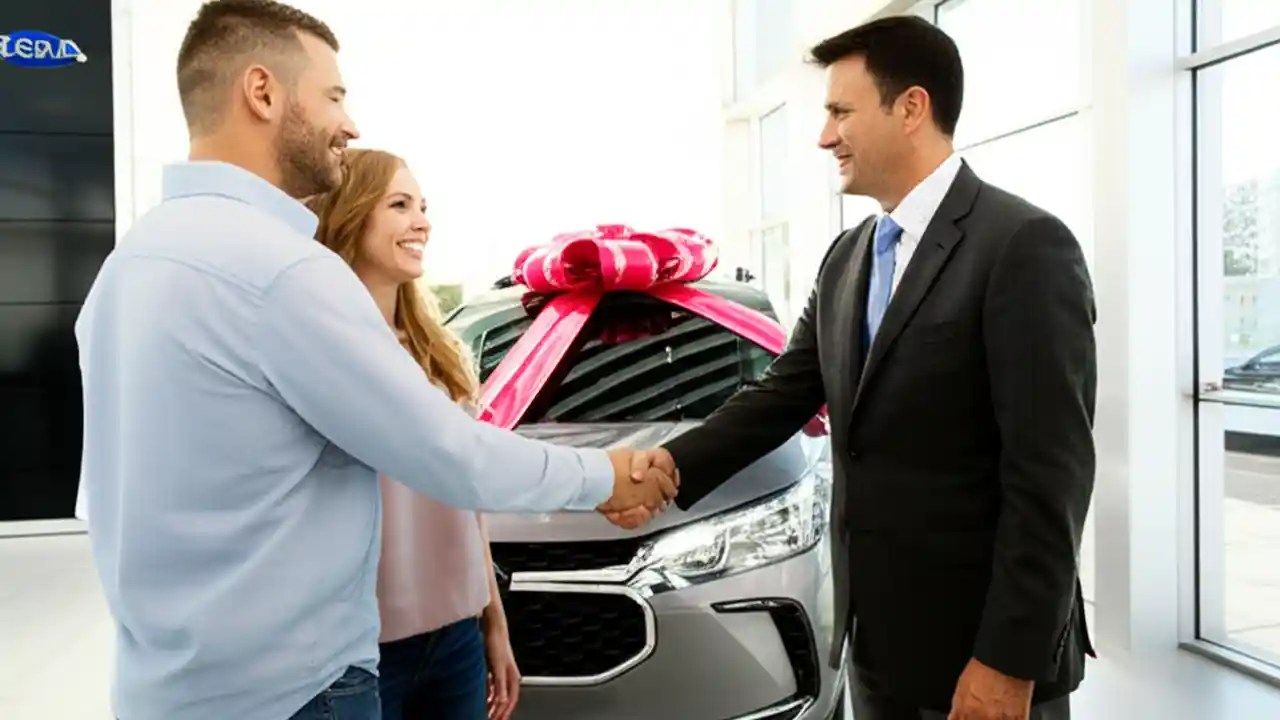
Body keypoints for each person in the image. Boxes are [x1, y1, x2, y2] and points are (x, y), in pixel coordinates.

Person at [73, 2, 674, 720]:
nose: (349, 124)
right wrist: (604, 474)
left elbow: (101, 496)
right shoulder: (282, 270)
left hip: (166, 694)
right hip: (297, 693)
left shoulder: (125, 269)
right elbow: (446, 454)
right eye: (333, 95)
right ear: (262, 92)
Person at [623, 15, 1096, 720]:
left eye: (841, 112)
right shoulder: (848, 257)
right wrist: (666, 465)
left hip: (982, 655)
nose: (823, 136)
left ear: (911, 107)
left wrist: (1008, 662)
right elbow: (783, 395)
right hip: (877, 648)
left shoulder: (1023, 246)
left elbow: (1050, 478)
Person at [304, 149, 520, 720]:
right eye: (400, 205)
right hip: (361, 654)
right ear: (351, 217)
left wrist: (493, 623)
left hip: (456, 641)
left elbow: (467, 498)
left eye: (422, 206)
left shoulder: (437, 352)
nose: (422, 221)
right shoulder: (321, 349)